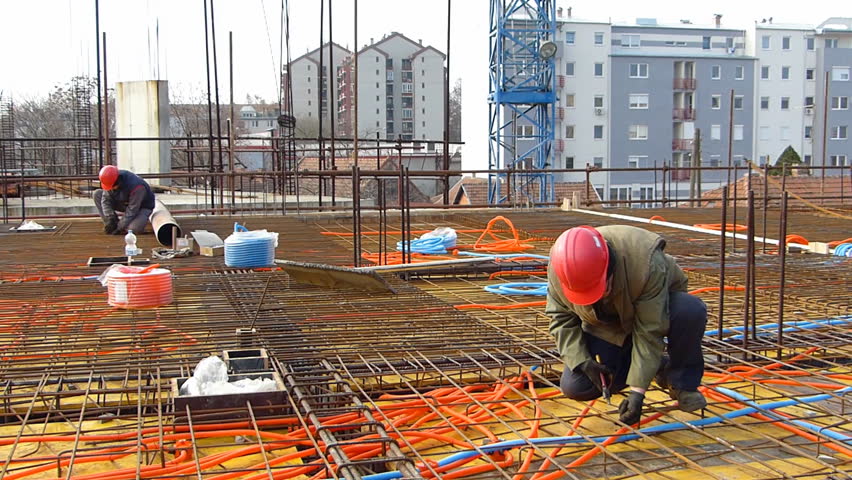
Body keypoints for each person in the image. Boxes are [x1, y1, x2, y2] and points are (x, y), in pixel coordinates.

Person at [546, 225, 707, 426]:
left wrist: (637, 392)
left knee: (689, 310)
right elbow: (560, 320)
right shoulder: (561, 269)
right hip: (607, 324)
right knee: (576, 386)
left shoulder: (646, 264)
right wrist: (582, 361)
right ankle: (655, 365)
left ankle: (682, 381)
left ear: (609, 268)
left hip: (654, 308)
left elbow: (649, 330)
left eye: (600, 289)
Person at [94, 165, 156, 235]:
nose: (111, 189)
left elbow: (132, 210)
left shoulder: (137, 187)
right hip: (124, 202)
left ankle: (121, 226)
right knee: (97, 194)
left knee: (133, 229)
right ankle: (110, 224)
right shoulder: (110, 180)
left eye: (113, 187)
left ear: (118, 182)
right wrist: (110, 218)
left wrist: (119, 227)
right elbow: (106, 200)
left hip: (141, 207)